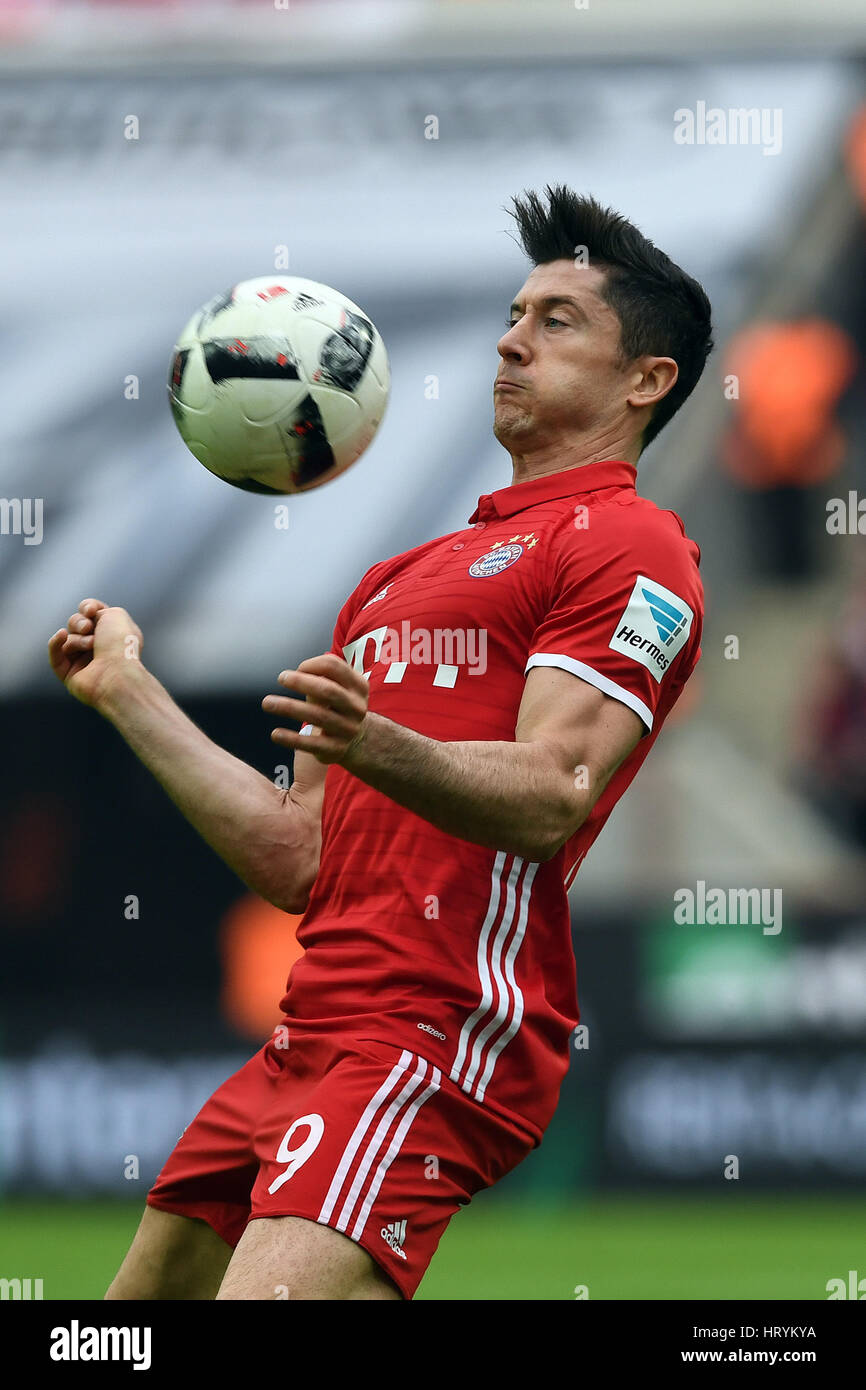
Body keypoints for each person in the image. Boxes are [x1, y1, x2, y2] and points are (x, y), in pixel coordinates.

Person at [48, 186, 712, 1301]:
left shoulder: (632, 547)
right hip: (313, 1028)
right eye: (512, 312)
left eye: (557, 321)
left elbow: (556, 786)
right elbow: (295, 858)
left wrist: (376, 741)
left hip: (440, 1022)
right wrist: (128, 691)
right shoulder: (392, 579)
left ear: (645, 380)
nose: (510, 337)